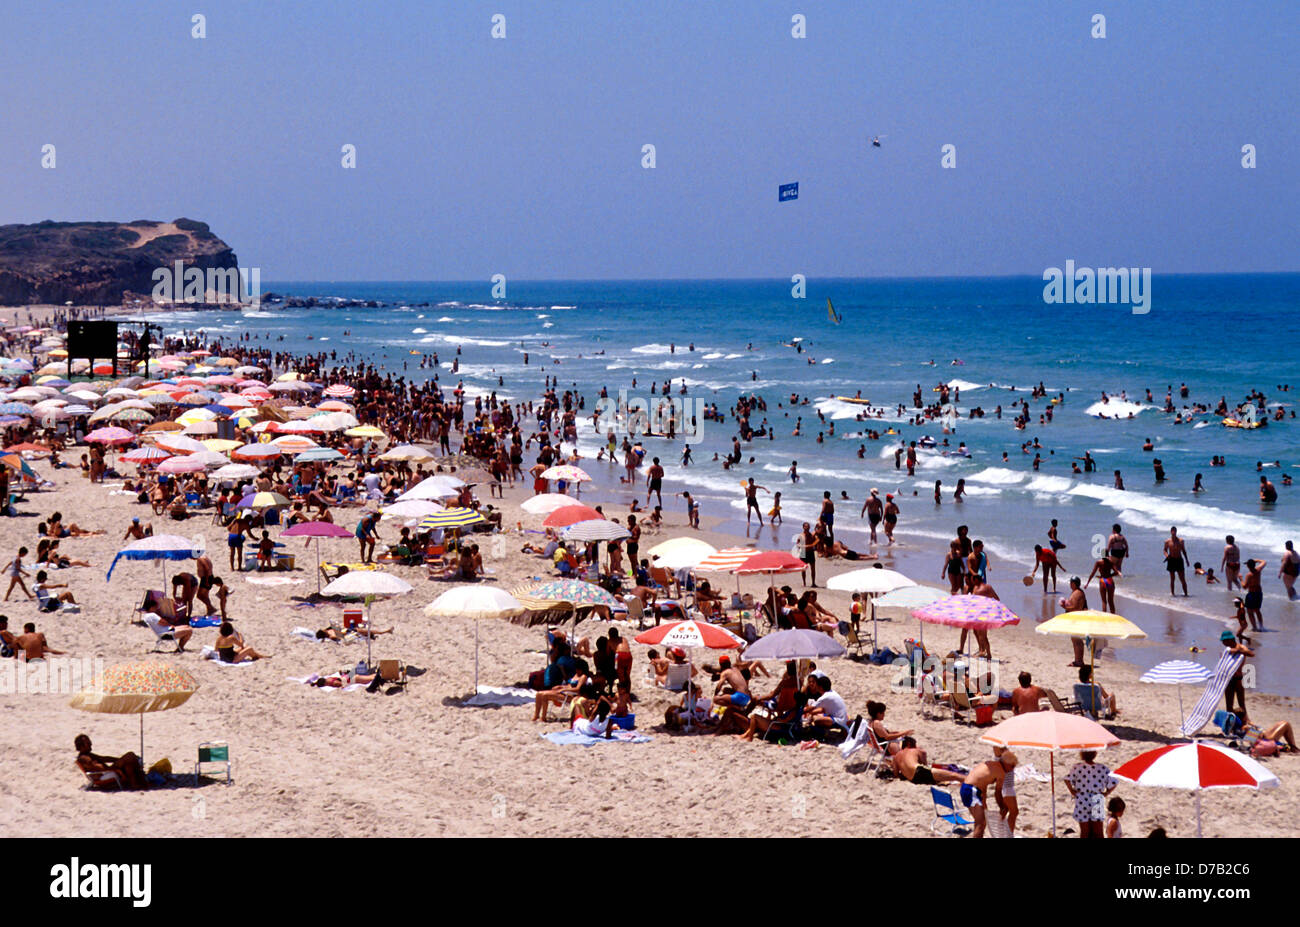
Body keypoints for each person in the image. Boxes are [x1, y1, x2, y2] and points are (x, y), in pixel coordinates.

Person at [1064, 750, 1118, 838]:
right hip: (1097, 798)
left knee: (1084, 831)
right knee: (1098, 831)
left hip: (1082, 798)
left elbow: (1067, 779)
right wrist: (1107, 793)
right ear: (1095, 754)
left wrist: (1072, 791)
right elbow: (1114, 782)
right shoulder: (1102, 768)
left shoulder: (1077, 767)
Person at [960, 754, 1010, 838]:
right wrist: (1003, 807)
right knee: (981, 824)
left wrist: (984, 803)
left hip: (967, 788)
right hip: (972, 790)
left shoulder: (989, 764)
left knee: (980, 822)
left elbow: (983, 784)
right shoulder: (1001, 772)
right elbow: (997, 793)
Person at [75, 734, 148, 790]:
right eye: (88, 743)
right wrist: (114, 768)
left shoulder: (88, 754)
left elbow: (104, 758)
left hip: (107, 771)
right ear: (81, 746)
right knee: (130, 755)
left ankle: (135, 784)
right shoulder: (83, 758)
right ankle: (140, 781)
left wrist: (120, 760)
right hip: (105, 773)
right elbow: (98, 767)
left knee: (128, 762)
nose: (91, 744)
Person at [891, 736, 965, 785]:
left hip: (913, 779)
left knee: (941, 779)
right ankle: (971, 781)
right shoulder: (914, 750)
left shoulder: (896, 756)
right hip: (919, 771)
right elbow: (925, 765)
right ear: (909, 744)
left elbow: (896, 774)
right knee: (954, 775)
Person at [1221, 630, 1253, 718]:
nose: (1223, 643)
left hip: (1238, 678)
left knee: (1241, 703)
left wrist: (1238, 651)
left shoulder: (1241, 647)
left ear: (1230, 639)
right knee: (1229, 703)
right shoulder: (1227, 650)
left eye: (1224, 641)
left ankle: (1245, 720)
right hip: (1228, 678)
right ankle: (1229, 723)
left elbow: (1251, 654)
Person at [1164, 526, 1189, 596]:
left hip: (1179, 560)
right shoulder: (1167, 541)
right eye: (1172, 531)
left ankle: (1186, 594)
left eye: (1175, 531)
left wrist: (1187, 560)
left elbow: (1184, 551)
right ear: (1171, 532)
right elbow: (1164, 550)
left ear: (1176, 532)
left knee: (1182, 579)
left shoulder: (1181, 541)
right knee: (1172, 579)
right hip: (1171, 560)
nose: (1174, 533)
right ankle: (1172, 594)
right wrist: (1166, 555)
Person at [1242, 558, 1266, 629]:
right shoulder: (1258, 570)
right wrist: (1256, 560)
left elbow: (1244, 587)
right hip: (1259, 593)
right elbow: (1264, 561)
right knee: (1257, 611)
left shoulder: (1249, 575)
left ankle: (1254, 627)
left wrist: (1240, 579)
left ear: (1248, 566)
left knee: (1250, 612)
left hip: (1252, 594)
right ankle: (1261, 627)